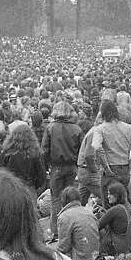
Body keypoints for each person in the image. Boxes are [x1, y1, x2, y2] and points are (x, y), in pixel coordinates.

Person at [43, 101, 83, 240]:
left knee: (56, 199)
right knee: (72, 198)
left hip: (56, 168)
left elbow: (45, 150)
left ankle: (56, 231)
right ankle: (72, 228)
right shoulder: (76, 129)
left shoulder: (50, 128)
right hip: (72, 167)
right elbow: (81, 151)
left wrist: (46, 167)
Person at [90, 100, 131, 194]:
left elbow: (96, 147)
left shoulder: (99, 129)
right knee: (122, 198)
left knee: (109, 202)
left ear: (102, 113)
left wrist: (106, 167)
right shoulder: (127, 127)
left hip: (110, 168)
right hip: (124, 167)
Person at [0, 123, 47, 193]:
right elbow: (41, 176)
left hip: (11, 188)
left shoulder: (7, 153)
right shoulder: (35, 153)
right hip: (29, 188)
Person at [55, 185, 100, 260]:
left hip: (79, 259)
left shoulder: (64, 216)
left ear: (63, 200)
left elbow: (63, 246)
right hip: (94, 255)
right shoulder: (89, 212)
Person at [97, 181, 131, 256]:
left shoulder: (115, 209)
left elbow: (97, 226)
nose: (108, 196)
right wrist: (105, 213)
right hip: (129, 244)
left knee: (97, 229)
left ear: (116, 195)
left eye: (110, 194)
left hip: (116, 247)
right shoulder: (127, 205)